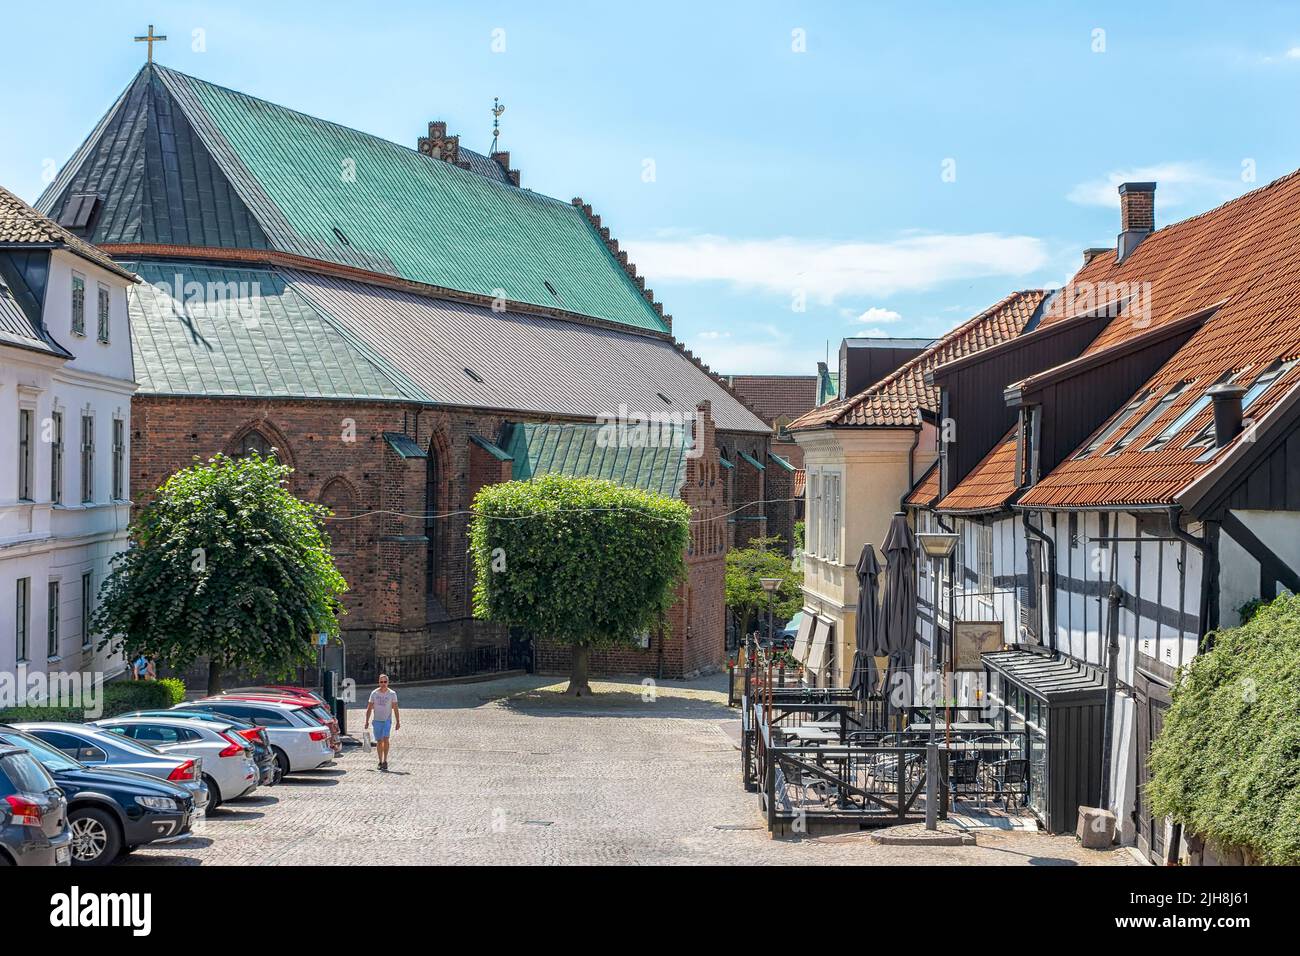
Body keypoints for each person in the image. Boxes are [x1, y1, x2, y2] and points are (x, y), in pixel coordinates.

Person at [364, 675, 400, 771]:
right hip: (377, 721)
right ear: (379, 682)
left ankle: (385, 760)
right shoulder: (374, 693)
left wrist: (398, 721)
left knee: (386, 739)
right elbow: (369, 707)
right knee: (379, 741)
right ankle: (380, 761)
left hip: (387, 720)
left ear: (388, 682)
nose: (383, 684)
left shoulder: (392, 694)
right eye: (381, 682)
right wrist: (366, 721)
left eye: (385, 682)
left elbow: (395, 708)